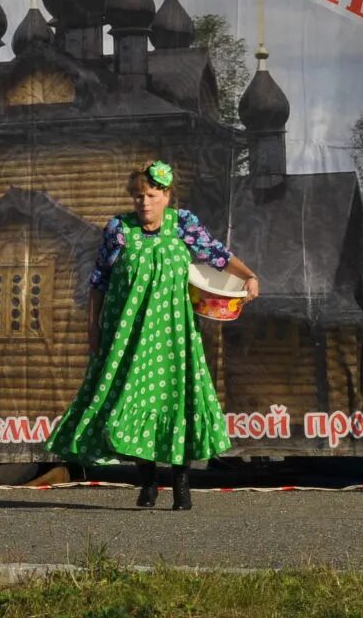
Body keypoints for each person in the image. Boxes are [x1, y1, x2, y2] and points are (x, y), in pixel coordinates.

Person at [49, 159, 259, 511]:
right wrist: (93, 328)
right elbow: (98, 282)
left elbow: (218, 256)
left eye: (150, 194)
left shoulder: (183, 225)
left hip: (173, 336)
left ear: (166, 195)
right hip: (128, 335)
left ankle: (181, 482)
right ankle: (147, 482)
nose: (143, 202)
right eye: (137, 196)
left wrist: (249, 276)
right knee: (132, 404)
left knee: (177, 404)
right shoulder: (119, 229)